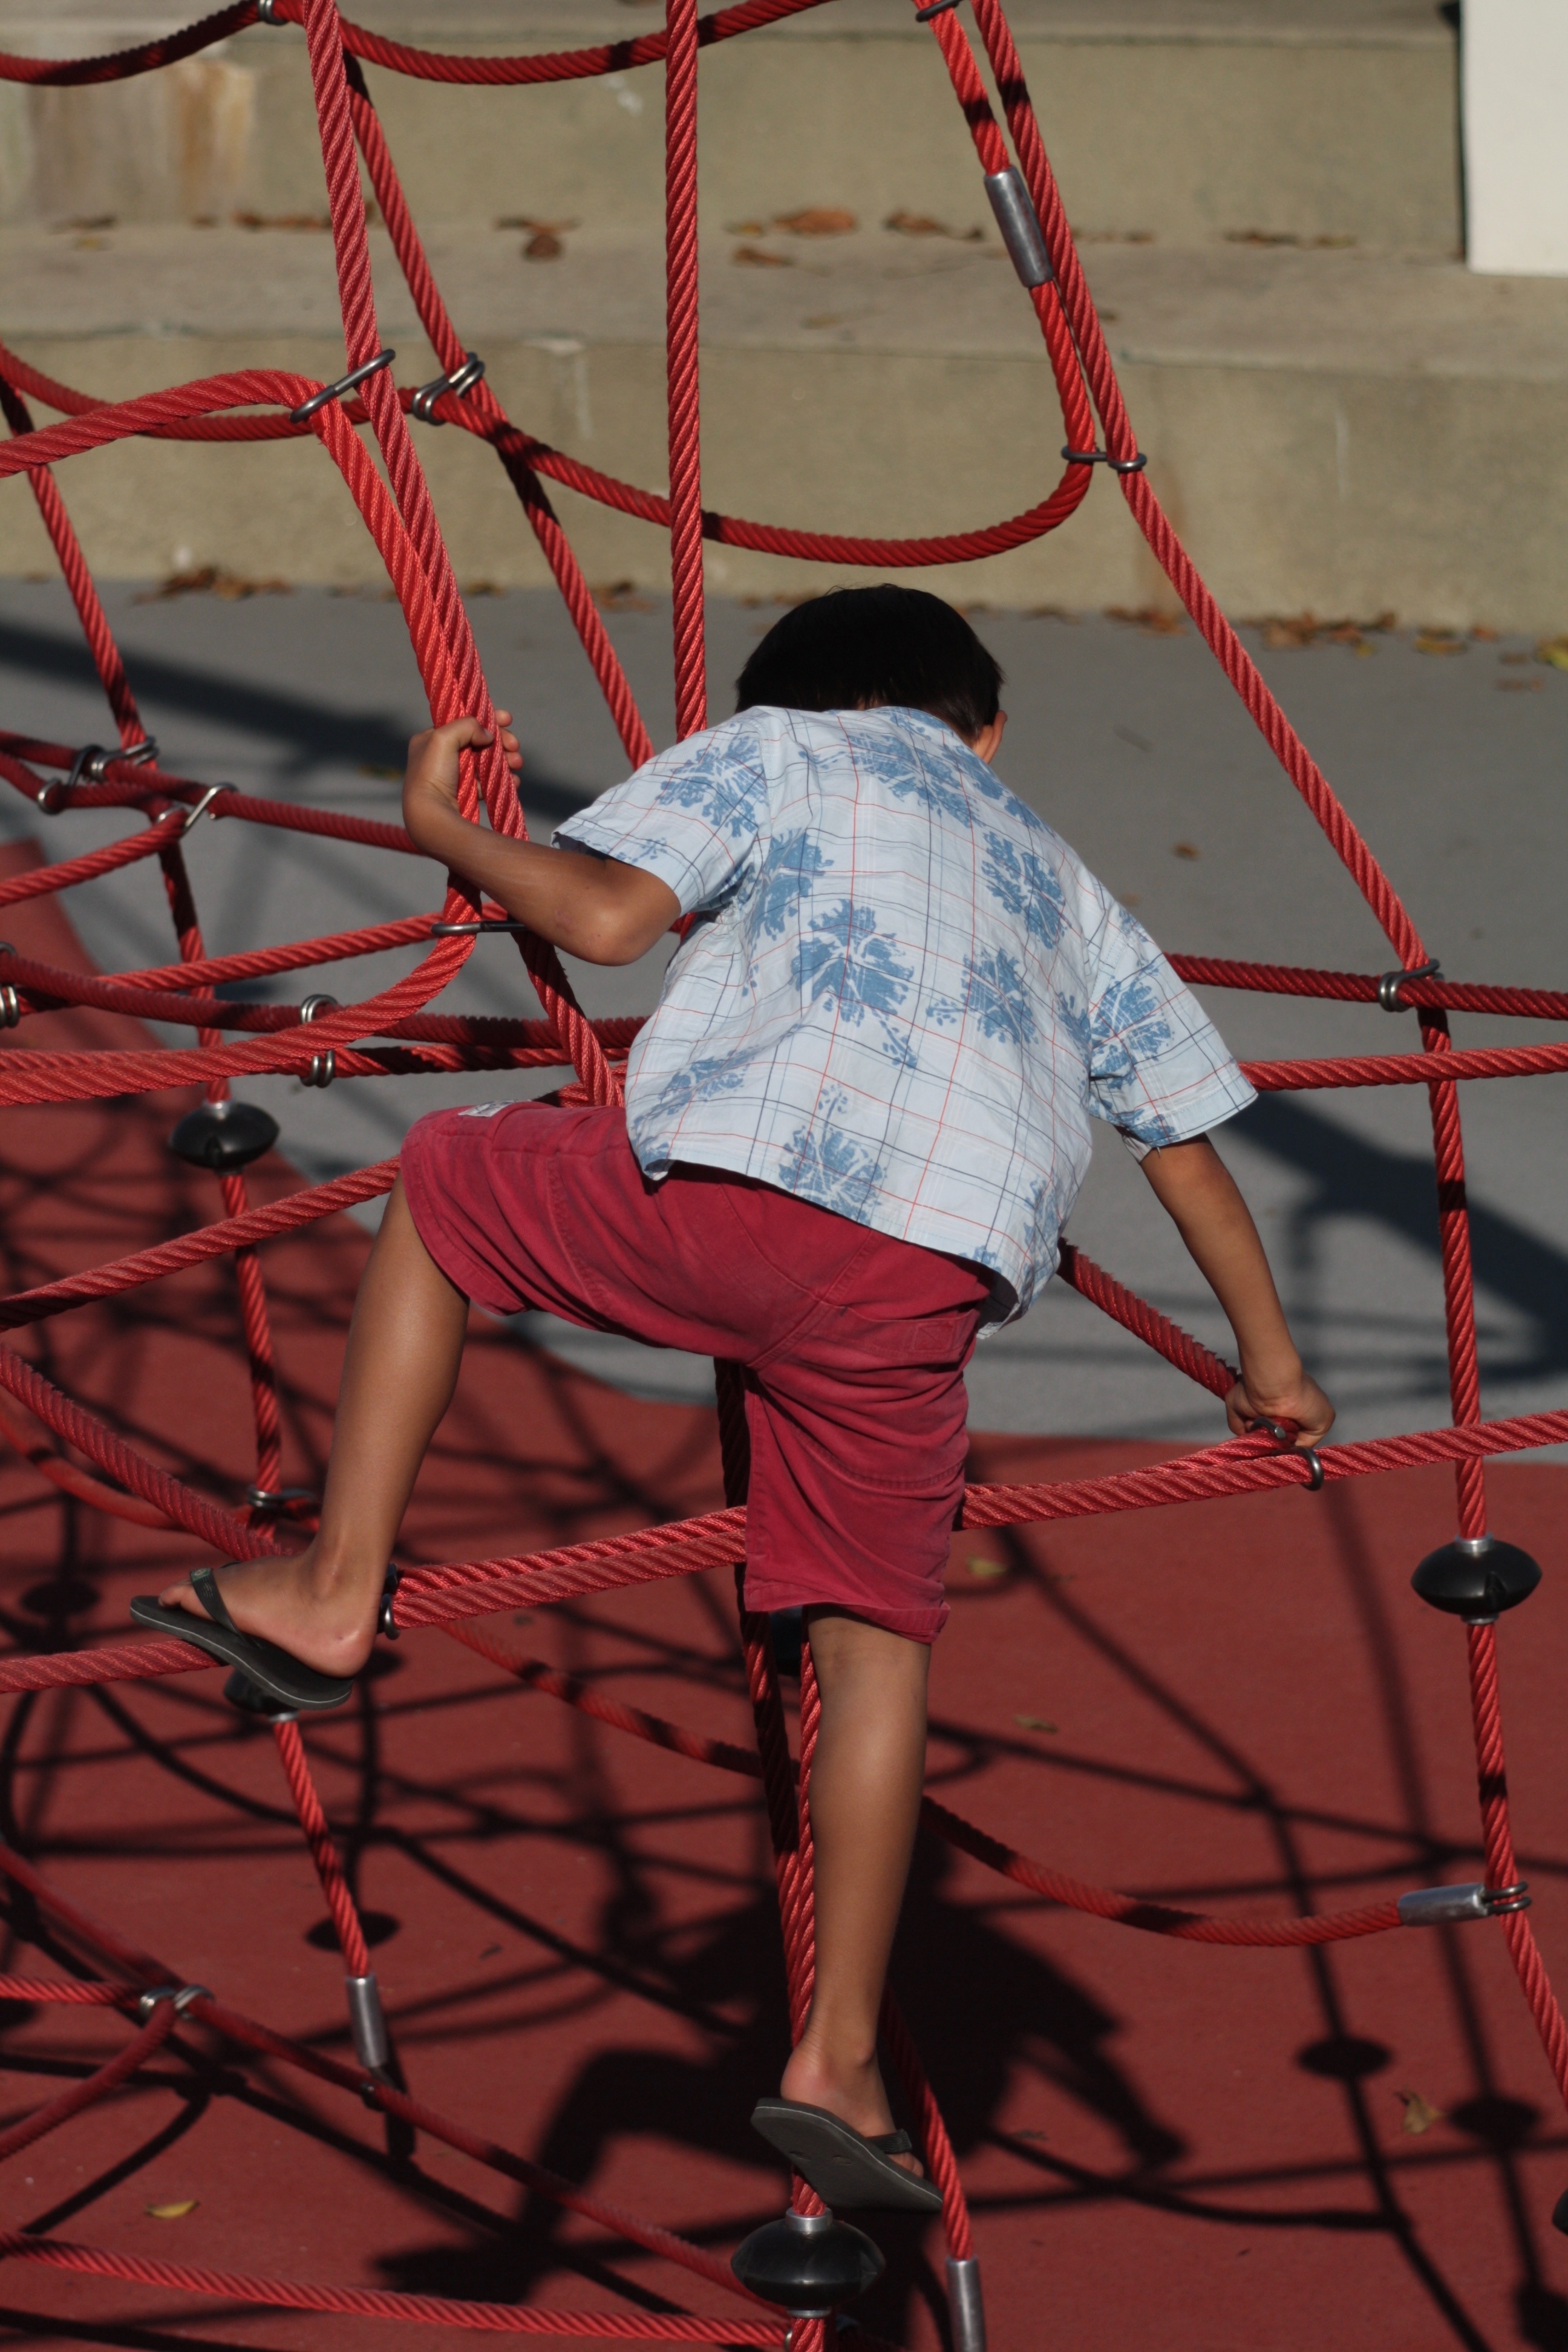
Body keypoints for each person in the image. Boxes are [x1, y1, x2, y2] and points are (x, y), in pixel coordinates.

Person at [136, 585, 1332, 2213]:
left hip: (746, 1194)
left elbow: (607, 922)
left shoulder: (780, 749)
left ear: (791, 701)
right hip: (922, 1293)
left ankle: (338, 1590)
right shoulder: (1066, 879)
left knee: (444, 1179)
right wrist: (1273, 1366)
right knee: (876, 1646)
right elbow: (1182, 1145)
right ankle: (837, 2056)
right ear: (987, 732)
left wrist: (444, 828)